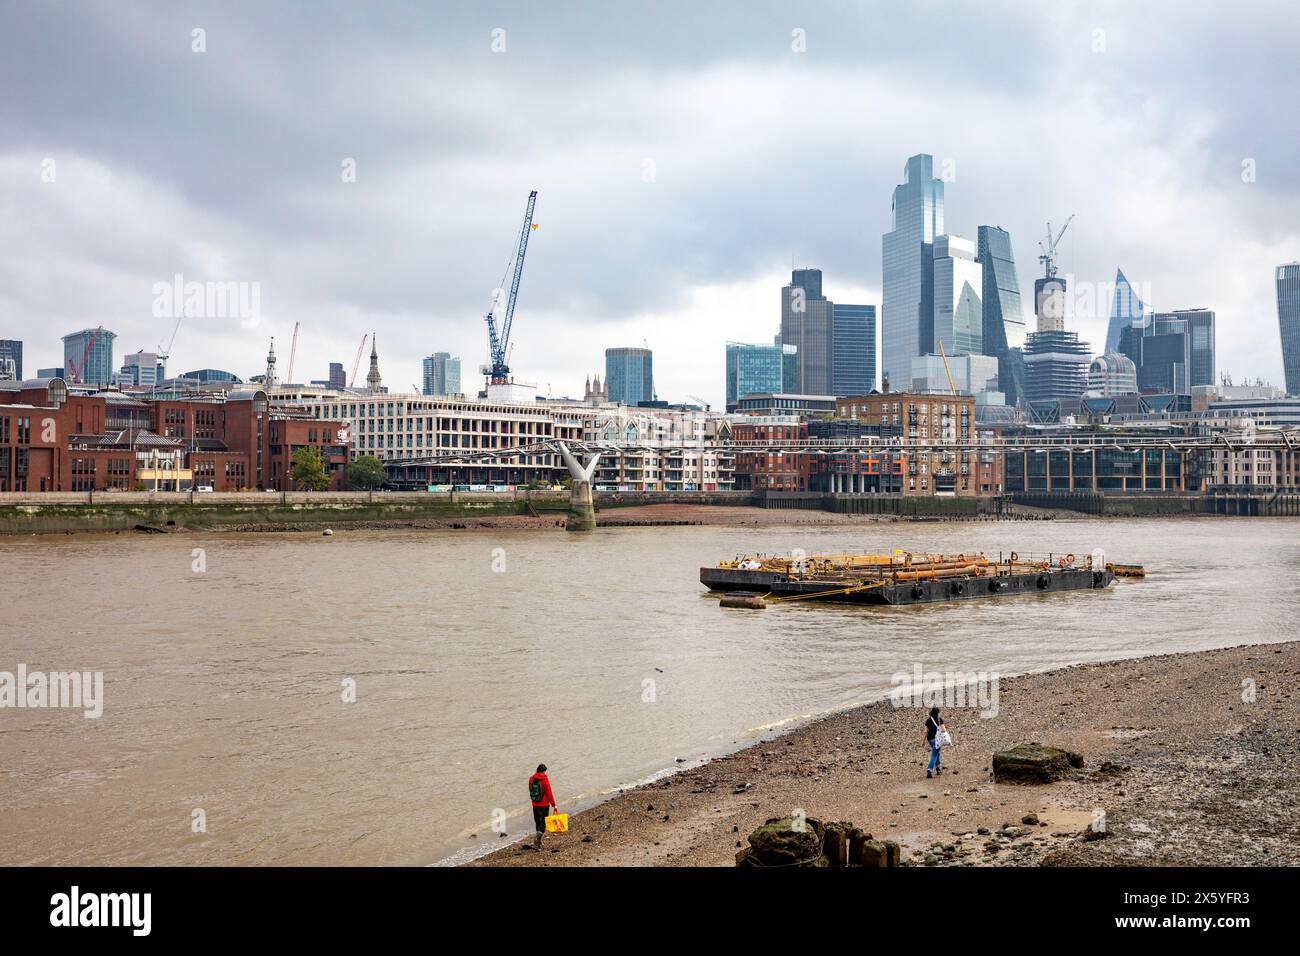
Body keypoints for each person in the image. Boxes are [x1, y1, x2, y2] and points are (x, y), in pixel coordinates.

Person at [528, 763, 558, 849]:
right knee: (543, 825)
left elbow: (530, 790)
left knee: (537, 822)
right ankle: (536, 841)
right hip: (544, 804)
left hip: (535, 804)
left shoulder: (531, 779)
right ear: (543, 771)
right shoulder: (545, 779)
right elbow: (549, 792)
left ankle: (538, 843)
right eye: (545, 772)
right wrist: (554, 804)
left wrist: (534, 800)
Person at [924, 707, 945, 778]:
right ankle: (929, 771)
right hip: (937, 740)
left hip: (930, 739)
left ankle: (938, 769)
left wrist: (923, 741)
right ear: (937, 713)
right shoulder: (940, 720)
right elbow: (943, 730)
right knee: (934, 755)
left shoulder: (928, 720)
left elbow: (925, 732)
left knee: (936, 753)